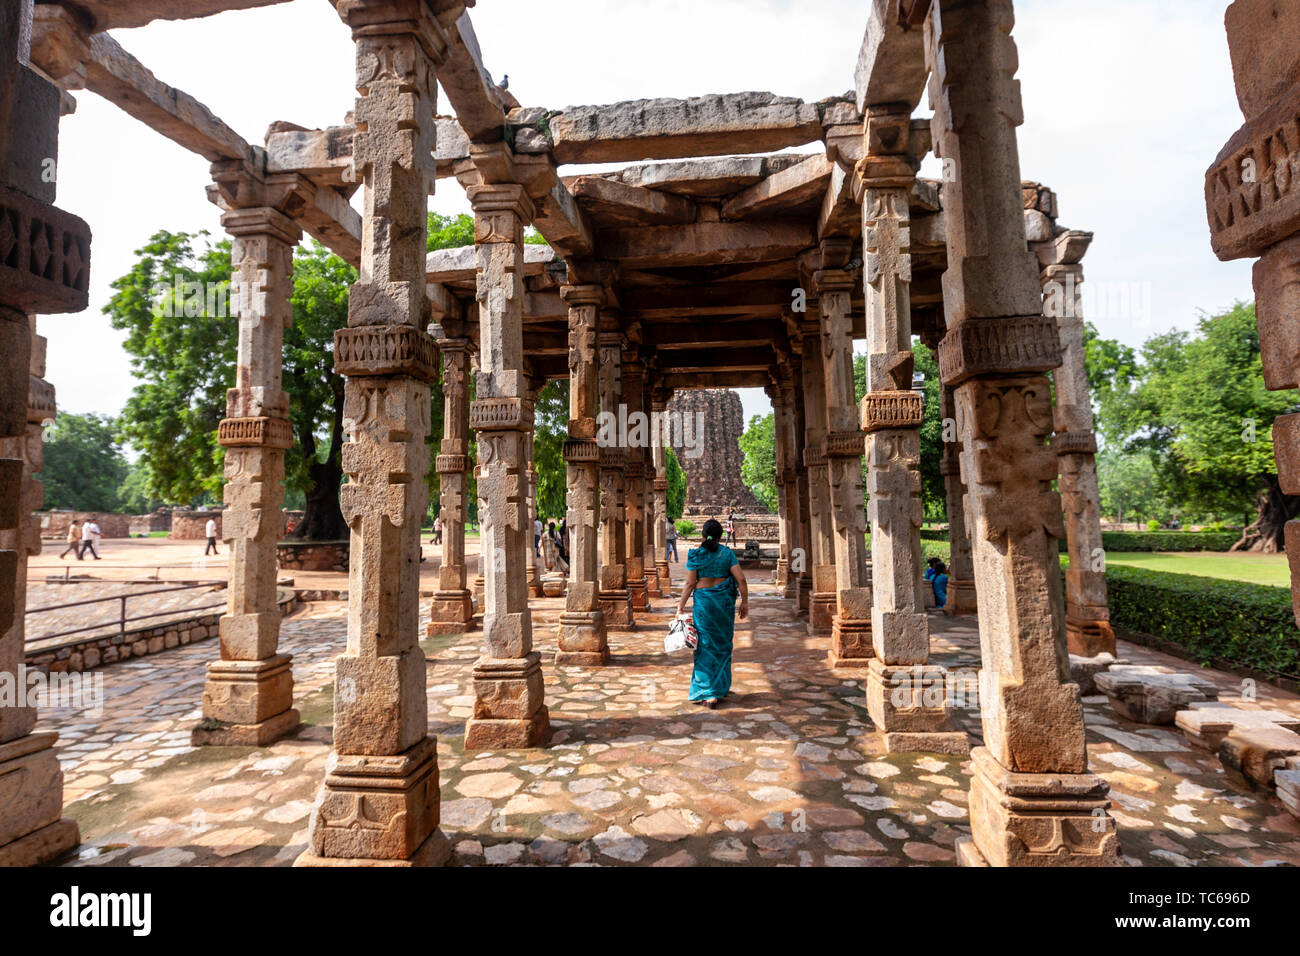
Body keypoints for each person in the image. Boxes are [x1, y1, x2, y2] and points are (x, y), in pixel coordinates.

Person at [675, 518, 748, 709]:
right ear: (721, 536)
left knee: (705, 646)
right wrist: (745, 602)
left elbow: (690, 584)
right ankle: (719, 687)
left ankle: (709, 692)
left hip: (704, 606)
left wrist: (680, 607)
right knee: (723, 644)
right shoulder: (727, 554)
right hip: (723, 605)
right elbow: (741, 579)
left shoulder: (696, 555)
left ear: (702, 535)